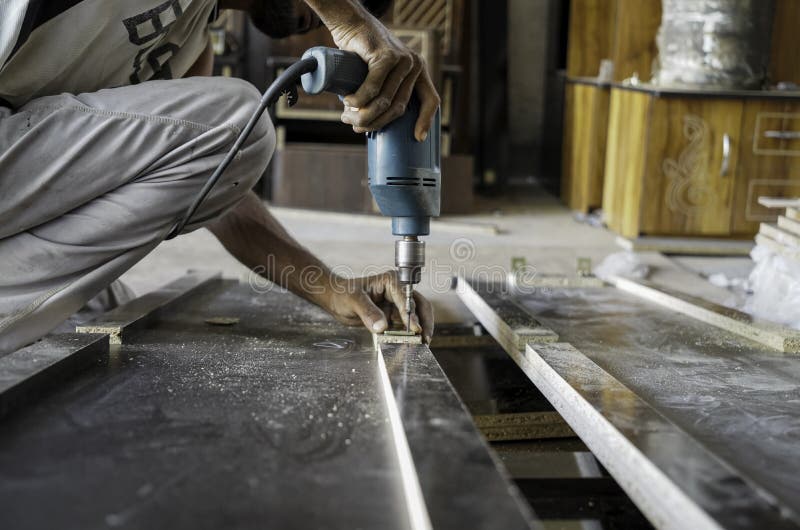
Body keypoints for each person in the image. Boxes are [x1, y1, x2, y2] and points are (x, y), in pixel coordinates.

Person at [0, 0, 439, 354]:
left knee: (98, 307)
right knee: (238, 119)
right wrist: (352, 19)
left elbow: (220, 186)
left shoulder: (190, 40)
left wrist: (332, 290)